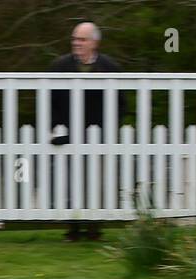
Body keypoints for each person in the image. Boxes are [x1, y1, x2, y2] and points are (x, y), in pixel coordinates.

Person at [48, 21, 122, 241]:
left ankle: (94, 230)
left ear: (95, 42)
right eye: (74, 39)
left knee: (95, 183)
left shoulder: (110, 67)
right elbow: (48, 100)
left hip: (98, 136)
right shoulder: (59, 66)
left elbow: (121, 104)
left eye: (82, 39)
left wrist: (108, 130)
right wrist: (55, 128)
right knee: (70, 183)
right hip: (67, 135)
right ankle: (73, 230)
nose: (76, 43)